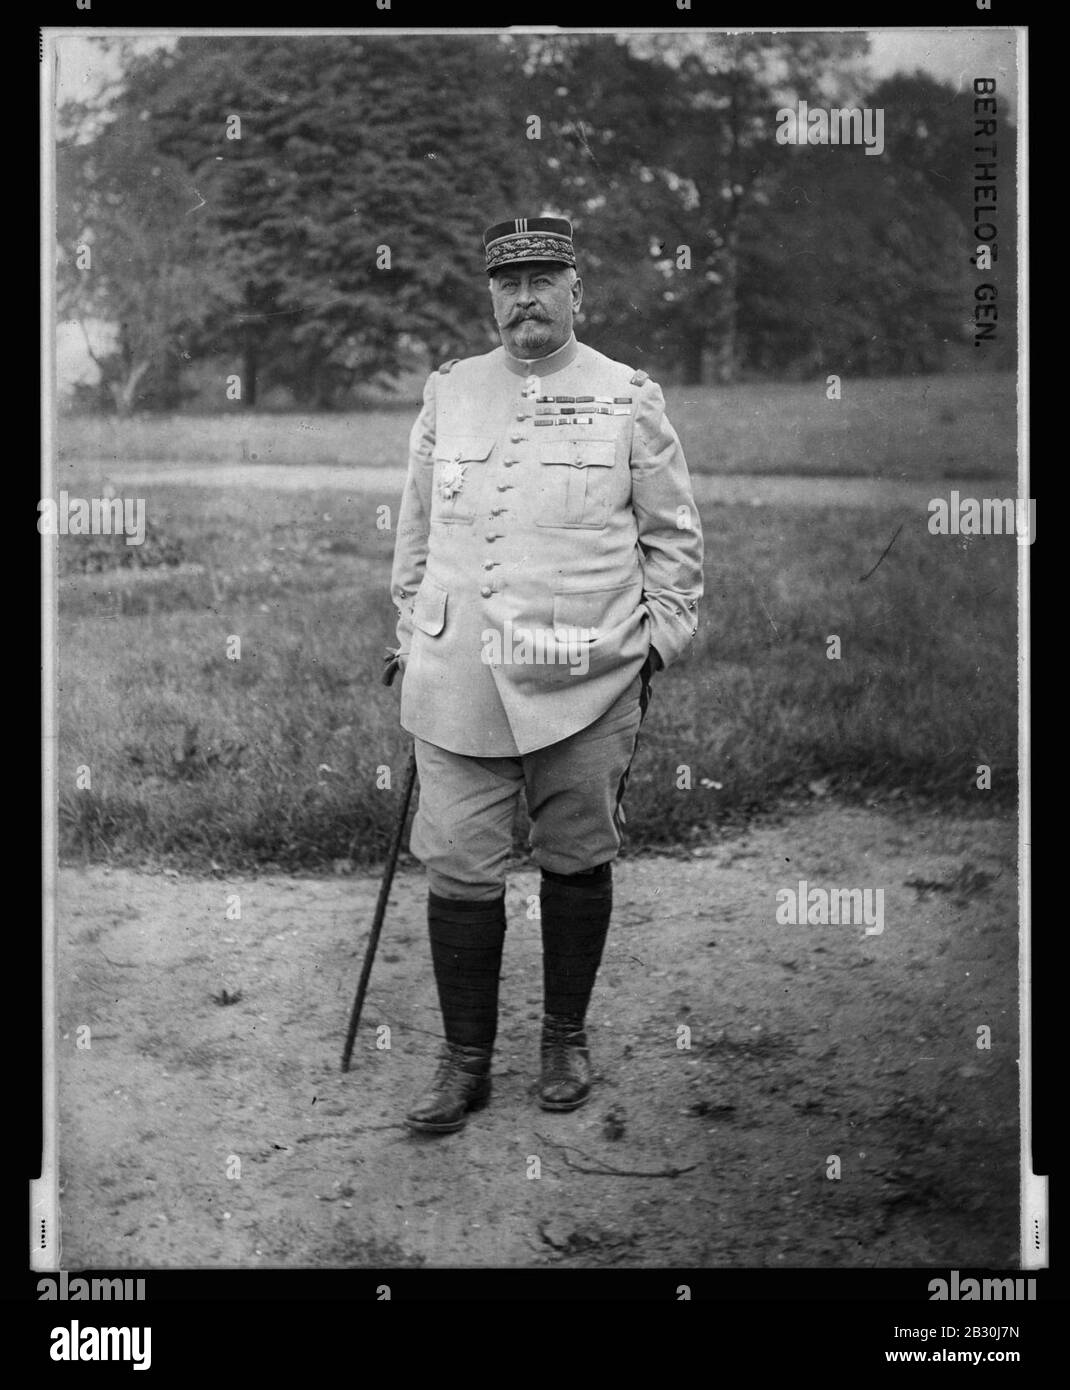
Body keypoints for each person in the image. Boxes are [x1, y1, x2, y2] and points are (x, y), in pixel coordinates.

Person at [389, 215, 703, 1134]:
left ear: (576, 291)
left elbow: (674, 542)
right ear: (491, 294)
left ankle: (563, 1036)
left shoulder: (626, 395)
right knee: (458, 865)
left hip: (587, 676)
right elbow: (414, 535)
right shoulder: (448, 393)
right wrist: (413, 634)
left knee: (576, 854)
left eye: (542, 278)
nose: (523, 296)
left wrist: (654, 646)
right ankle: (465, 1061)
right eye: (507, 281)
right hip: (456, 679)